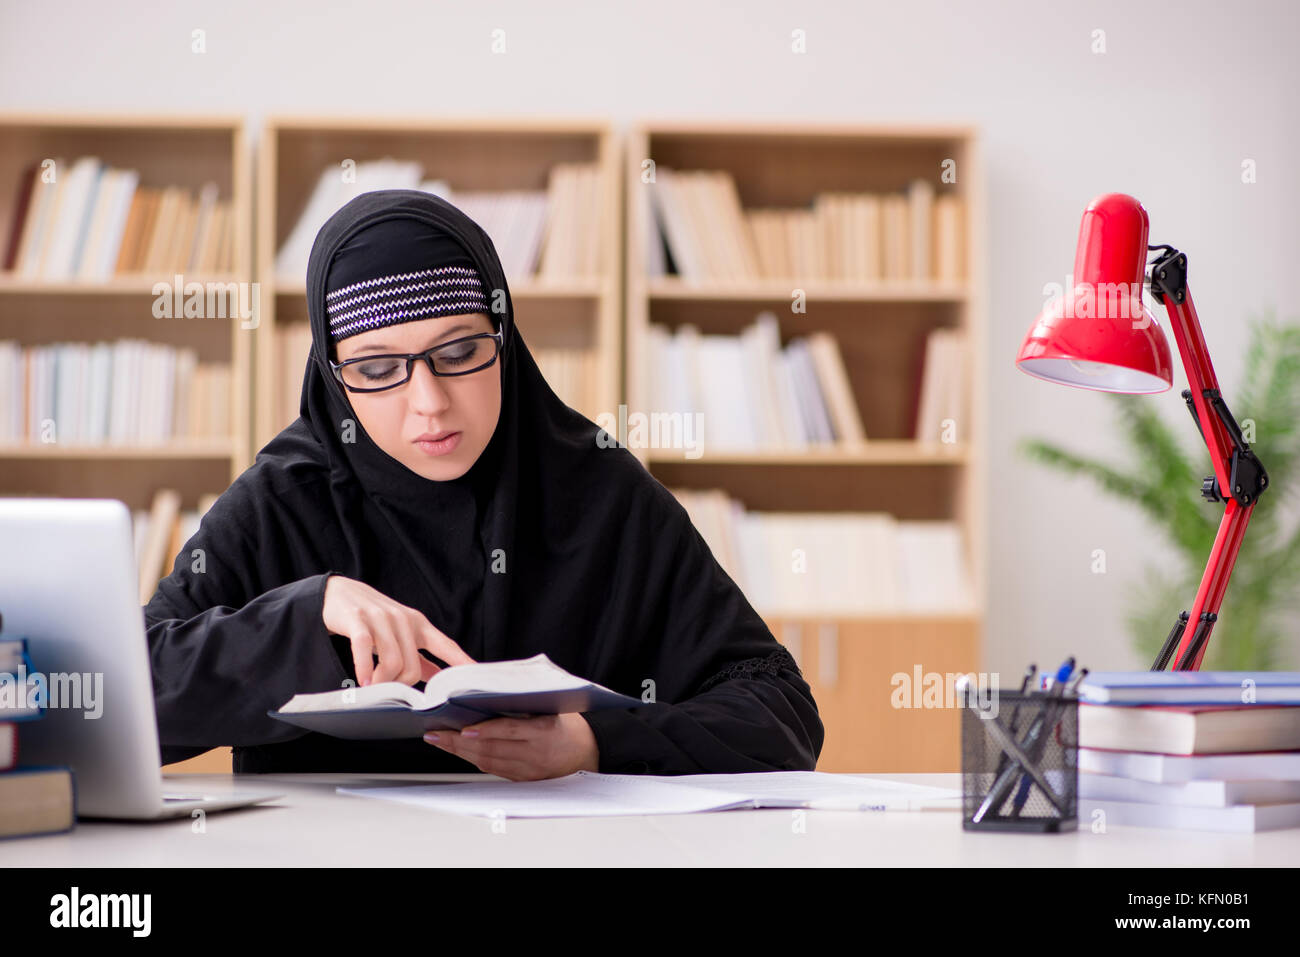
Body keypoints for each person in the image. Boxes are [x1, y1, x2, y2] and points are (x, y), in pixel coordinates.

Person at [144, 188, 824, 778]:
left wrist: (595, 743)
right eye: (378, 369)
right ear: (331, 372)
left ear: (504, 337)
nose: (430, 402)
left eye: (461, 351)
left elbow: (780, 708)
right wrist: (303, 614)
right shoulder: (282, 502)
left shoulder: (601, 491)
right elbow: (116, 697)